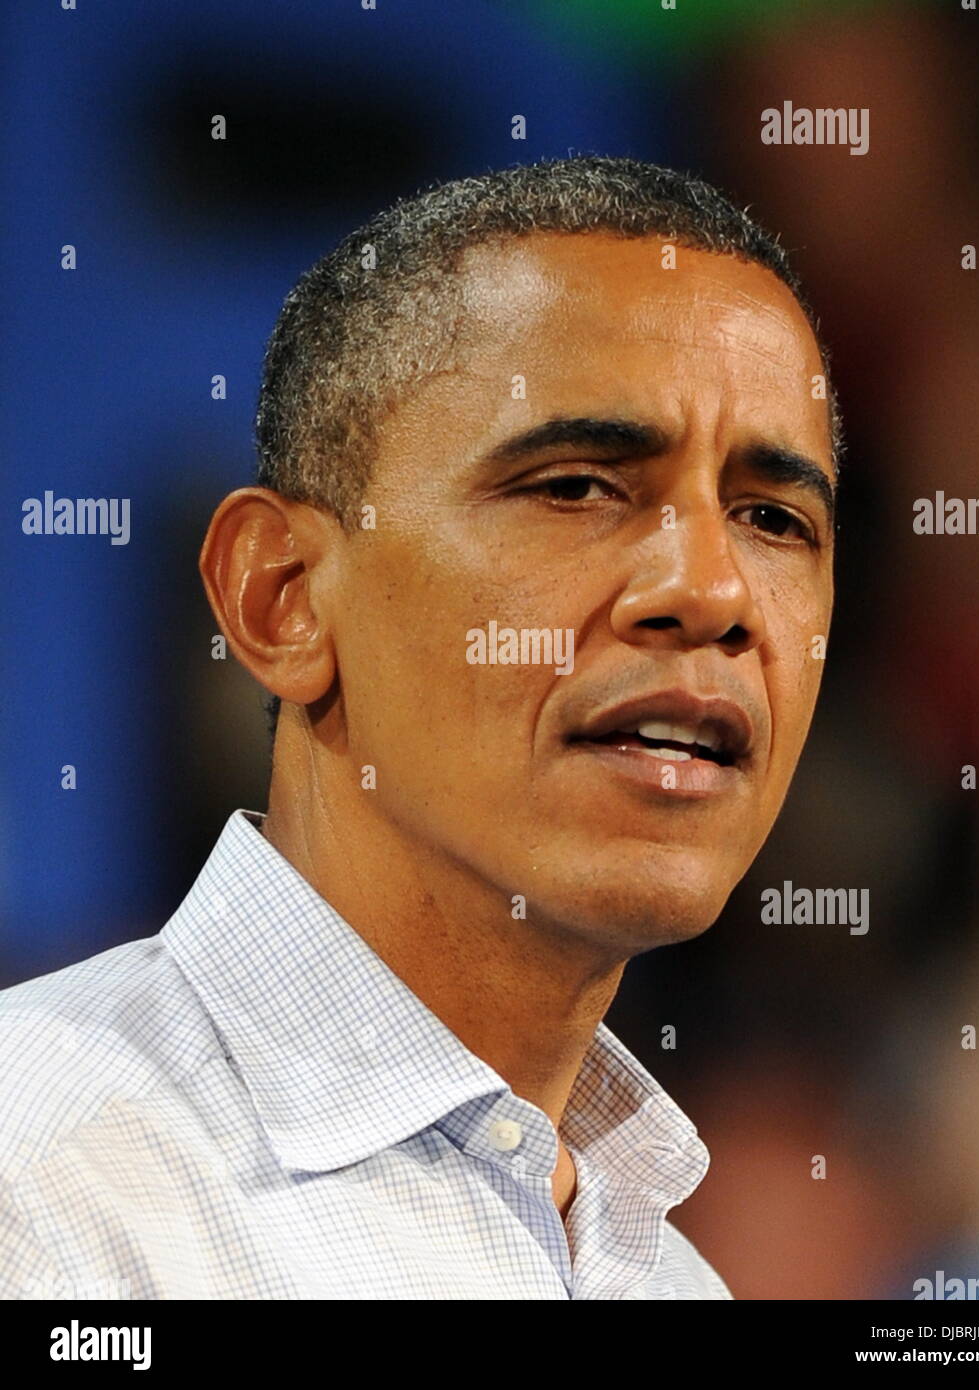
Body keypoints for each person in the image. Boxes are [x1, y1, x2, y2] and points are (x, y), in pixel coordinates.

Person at [0, 156, 839, 1300]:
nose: (713, 591)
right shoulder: (40, 1188)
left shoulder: (674, 1282)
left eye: (771, 516)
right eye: (577, 486)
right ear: (280, 596)